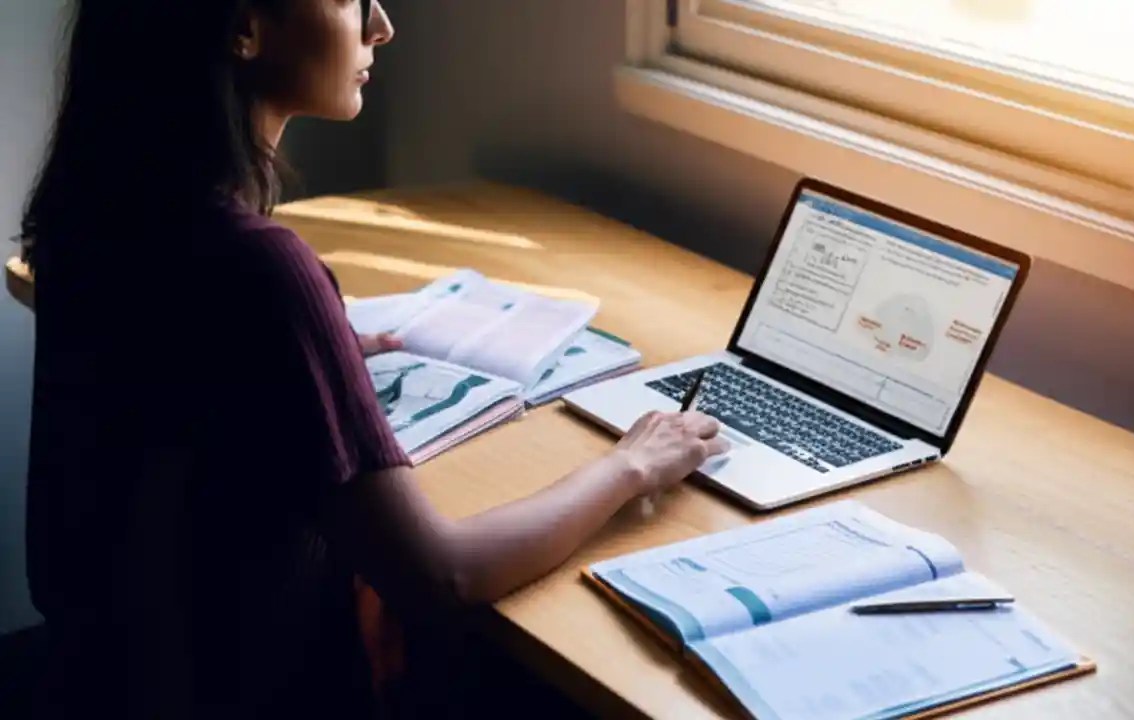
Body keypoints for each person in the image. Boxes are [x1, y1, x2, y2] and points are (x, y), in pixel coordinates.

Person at [21, 1, 728, 717]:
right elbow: (444, 573)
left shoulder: (101, 213)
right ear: (243, 28)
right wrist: (631, 463)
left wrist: (314, 347)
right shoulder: (260, 268)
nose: (382, 26)